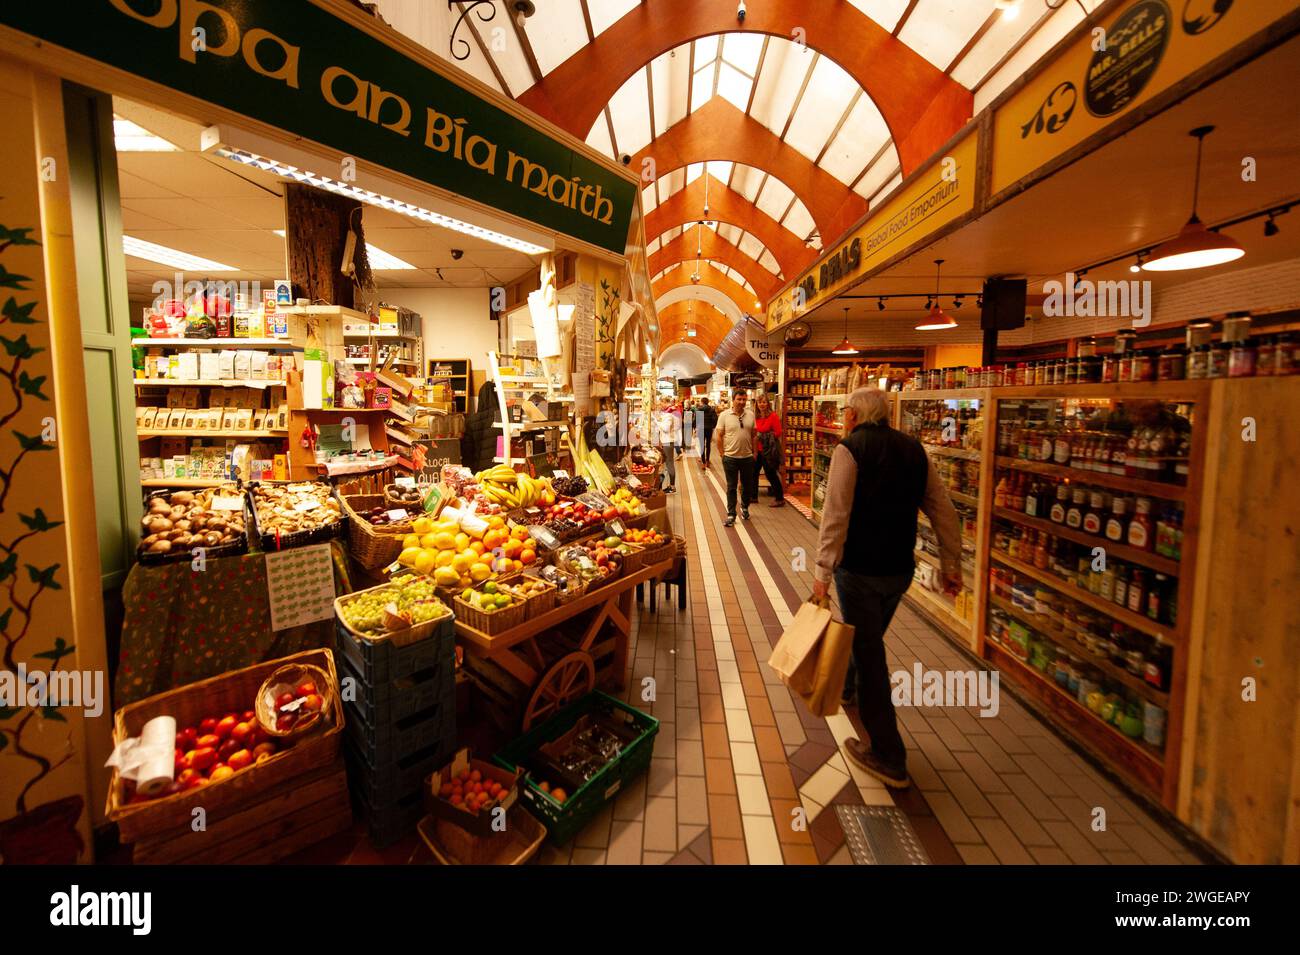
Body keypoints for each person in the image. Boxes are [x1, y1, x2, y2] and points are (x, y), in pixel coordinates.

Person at [812, 387, 962, 789]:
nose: (843, 418)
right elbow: (943, 510)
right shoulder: (914, 450)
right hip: (899, 570)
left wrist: (822, 573)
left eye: (846, 412)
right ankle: (845, 687)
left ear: (856, 415)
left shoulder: (851, 450)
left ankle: (888, 754)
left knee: (871, 655)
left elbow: (835, 515)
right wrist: (952, 564)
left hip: (858, 570)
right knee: (869, 637)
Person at [715, 390, 756, 527]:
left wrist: (754, 453)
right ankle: (731, 514)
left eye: (744, 399)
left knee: (747, 486)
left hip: (747, 457)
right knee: (731, 486)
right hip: (730, 457)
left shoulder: (750, 415)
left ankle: (745, 507)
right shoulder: (724, 415)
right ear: (733, 400)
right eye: (739, 399)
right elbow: (719, 436)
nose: (742, 402)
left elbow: (754, 435)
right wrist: (722, 454)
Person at [752, 392, 786, 508]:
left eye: (764, 402)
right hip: (757, 450)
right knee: (754, 472)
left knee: (770, 474)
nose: (762, 404)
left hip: (769, 450)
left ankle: (779, 498)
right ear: (757, 404)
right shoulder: (755, 416)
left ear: (768, 403)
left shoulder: (773, 416)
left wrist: (763, 435)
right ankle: (753, 496)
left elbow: (778, 432)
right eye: (760, 402)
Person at [656, 398, 681, 492]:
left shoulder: (669, 415)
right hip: (667, 441)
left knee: (669, 464)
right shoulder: (667, 414)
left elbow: (665, 428)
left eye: (661, 402)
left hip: (668, 441)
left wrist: (657, 422)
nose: (660, 405)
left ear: (666, 403)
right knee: (668, 464)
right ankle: (671, 485)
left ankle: (672, 486)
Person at [698, 397, 718, 469]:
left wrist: (695, 428)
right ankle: (707, 461)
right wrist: (712, 426)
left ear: (702, 402)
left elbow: (696, 420)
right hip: (709, 429)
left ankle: (703, 462)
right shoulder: (712, 410)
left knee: (702, 446)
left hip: (701, 429)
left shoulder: (699, 409)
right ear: (708, 402)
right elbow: (715, 419)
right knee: (708, 445)